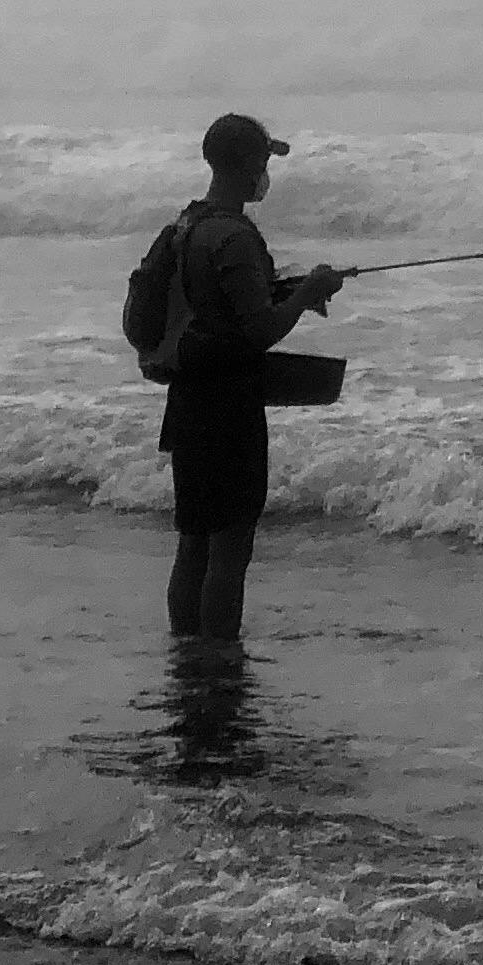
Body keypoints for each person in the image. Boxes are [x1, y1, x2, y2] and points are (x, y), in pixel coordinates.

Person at [161, 111, 345, 642]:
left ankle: (188, 654)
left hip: (189, 400)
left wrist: (292, 292)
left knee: (194, 539)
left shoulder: (186, 226)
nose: (267, 172)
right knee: (230, 544)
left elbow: (218, 309)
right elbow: (258, 331)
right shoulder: (235, 238)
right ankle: (219, 660)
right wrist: (307, 294)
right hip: (228, 408)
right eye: (264, 161)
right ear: (247, 165)